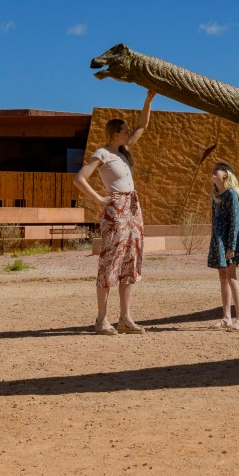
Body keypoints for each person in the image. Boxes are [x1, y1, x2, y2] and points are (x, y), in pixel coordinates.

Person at [74, 89, 156, 335]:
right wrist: (100, 198)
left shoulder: (124, 152)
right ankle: (101, 319)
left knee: (131, 262)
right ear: (115, 133)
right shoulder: (103, 154)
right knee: (111, 261)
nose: (129, 133)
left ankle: (125, 317)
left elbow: (143, 125)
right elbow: (80, 178)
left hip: (133, 208)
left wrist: (148, 100)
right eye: (125, 130)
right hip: (116, 211)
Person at [207, 161, 239, 331]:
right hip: (219, 240)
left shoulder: (231, 195)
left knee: (231, 277)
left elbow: (235, 221)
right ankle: (226, 317)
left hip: (230, 240)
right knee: (223, 277)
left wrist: (231, 247)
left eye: (218, 169)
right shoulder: (216, 195)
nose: (214, 171)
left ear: (226, 175)